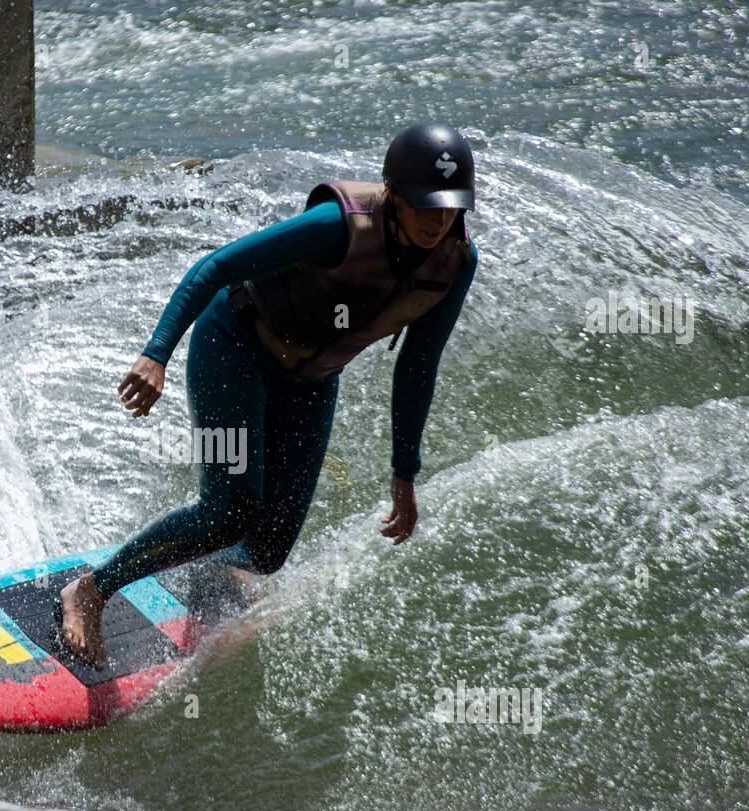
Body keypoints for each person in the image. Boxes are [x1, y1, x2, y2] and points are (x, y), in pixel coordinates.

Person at [56, 122, 480, 668]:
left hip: (311, 381)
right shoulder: (338, 227)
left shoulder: (454, 263)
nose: (438, 220)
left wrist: (405, 475)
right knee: (227, 512)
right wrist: (156, 354)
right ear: (393, 194)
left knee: (269, 549)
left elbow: (419, 366)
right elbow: (218, 266)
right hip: (234, 346)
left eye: (449, 207)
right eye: (425, 206)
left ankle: (205, 567)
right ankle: (91, 590)